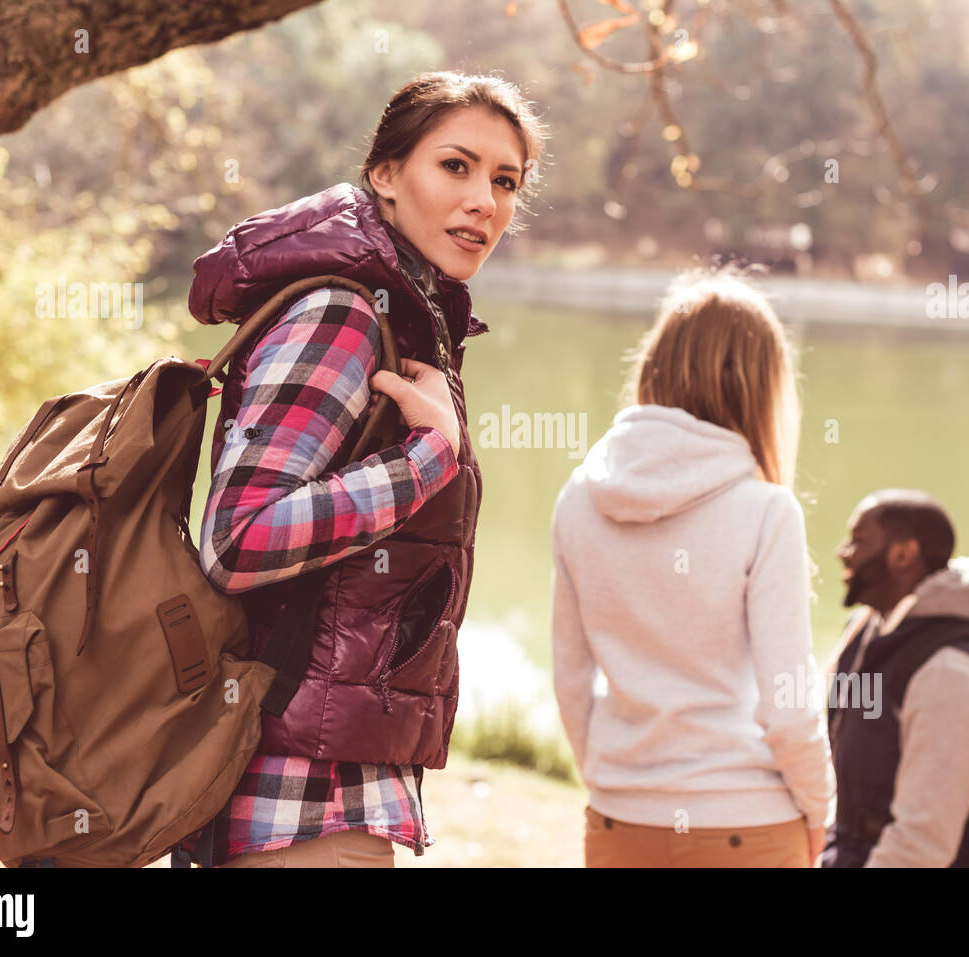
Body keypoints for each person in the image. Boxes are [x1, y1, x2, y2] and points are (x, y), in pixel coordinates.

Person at [176, 71, 548, 868]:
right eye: (456, 166)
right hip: (294, 803)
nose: (484, 199)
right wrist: (426, 461)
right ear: (385, 175)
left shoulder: (404, 321)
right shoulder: (342, 316)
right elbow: (238, 539)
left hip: (332, 789)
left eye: (506, 180)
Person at [550, 266, 834, 867]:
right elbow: (788, 705)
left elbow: (571, 680)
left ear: (655, 364)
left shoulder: (580, 496)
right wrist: (821, 810)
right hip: (748, 822)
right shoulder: (766, 510)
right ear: (759, 387)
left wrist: (619, 781)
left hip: (621, 820)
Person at [822, 489, 969, 867]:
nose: (843, 551)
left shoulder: (950, 673)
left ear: (902, 554)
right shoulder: (870, 629)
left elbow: (921, 845)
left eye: (858, 540)